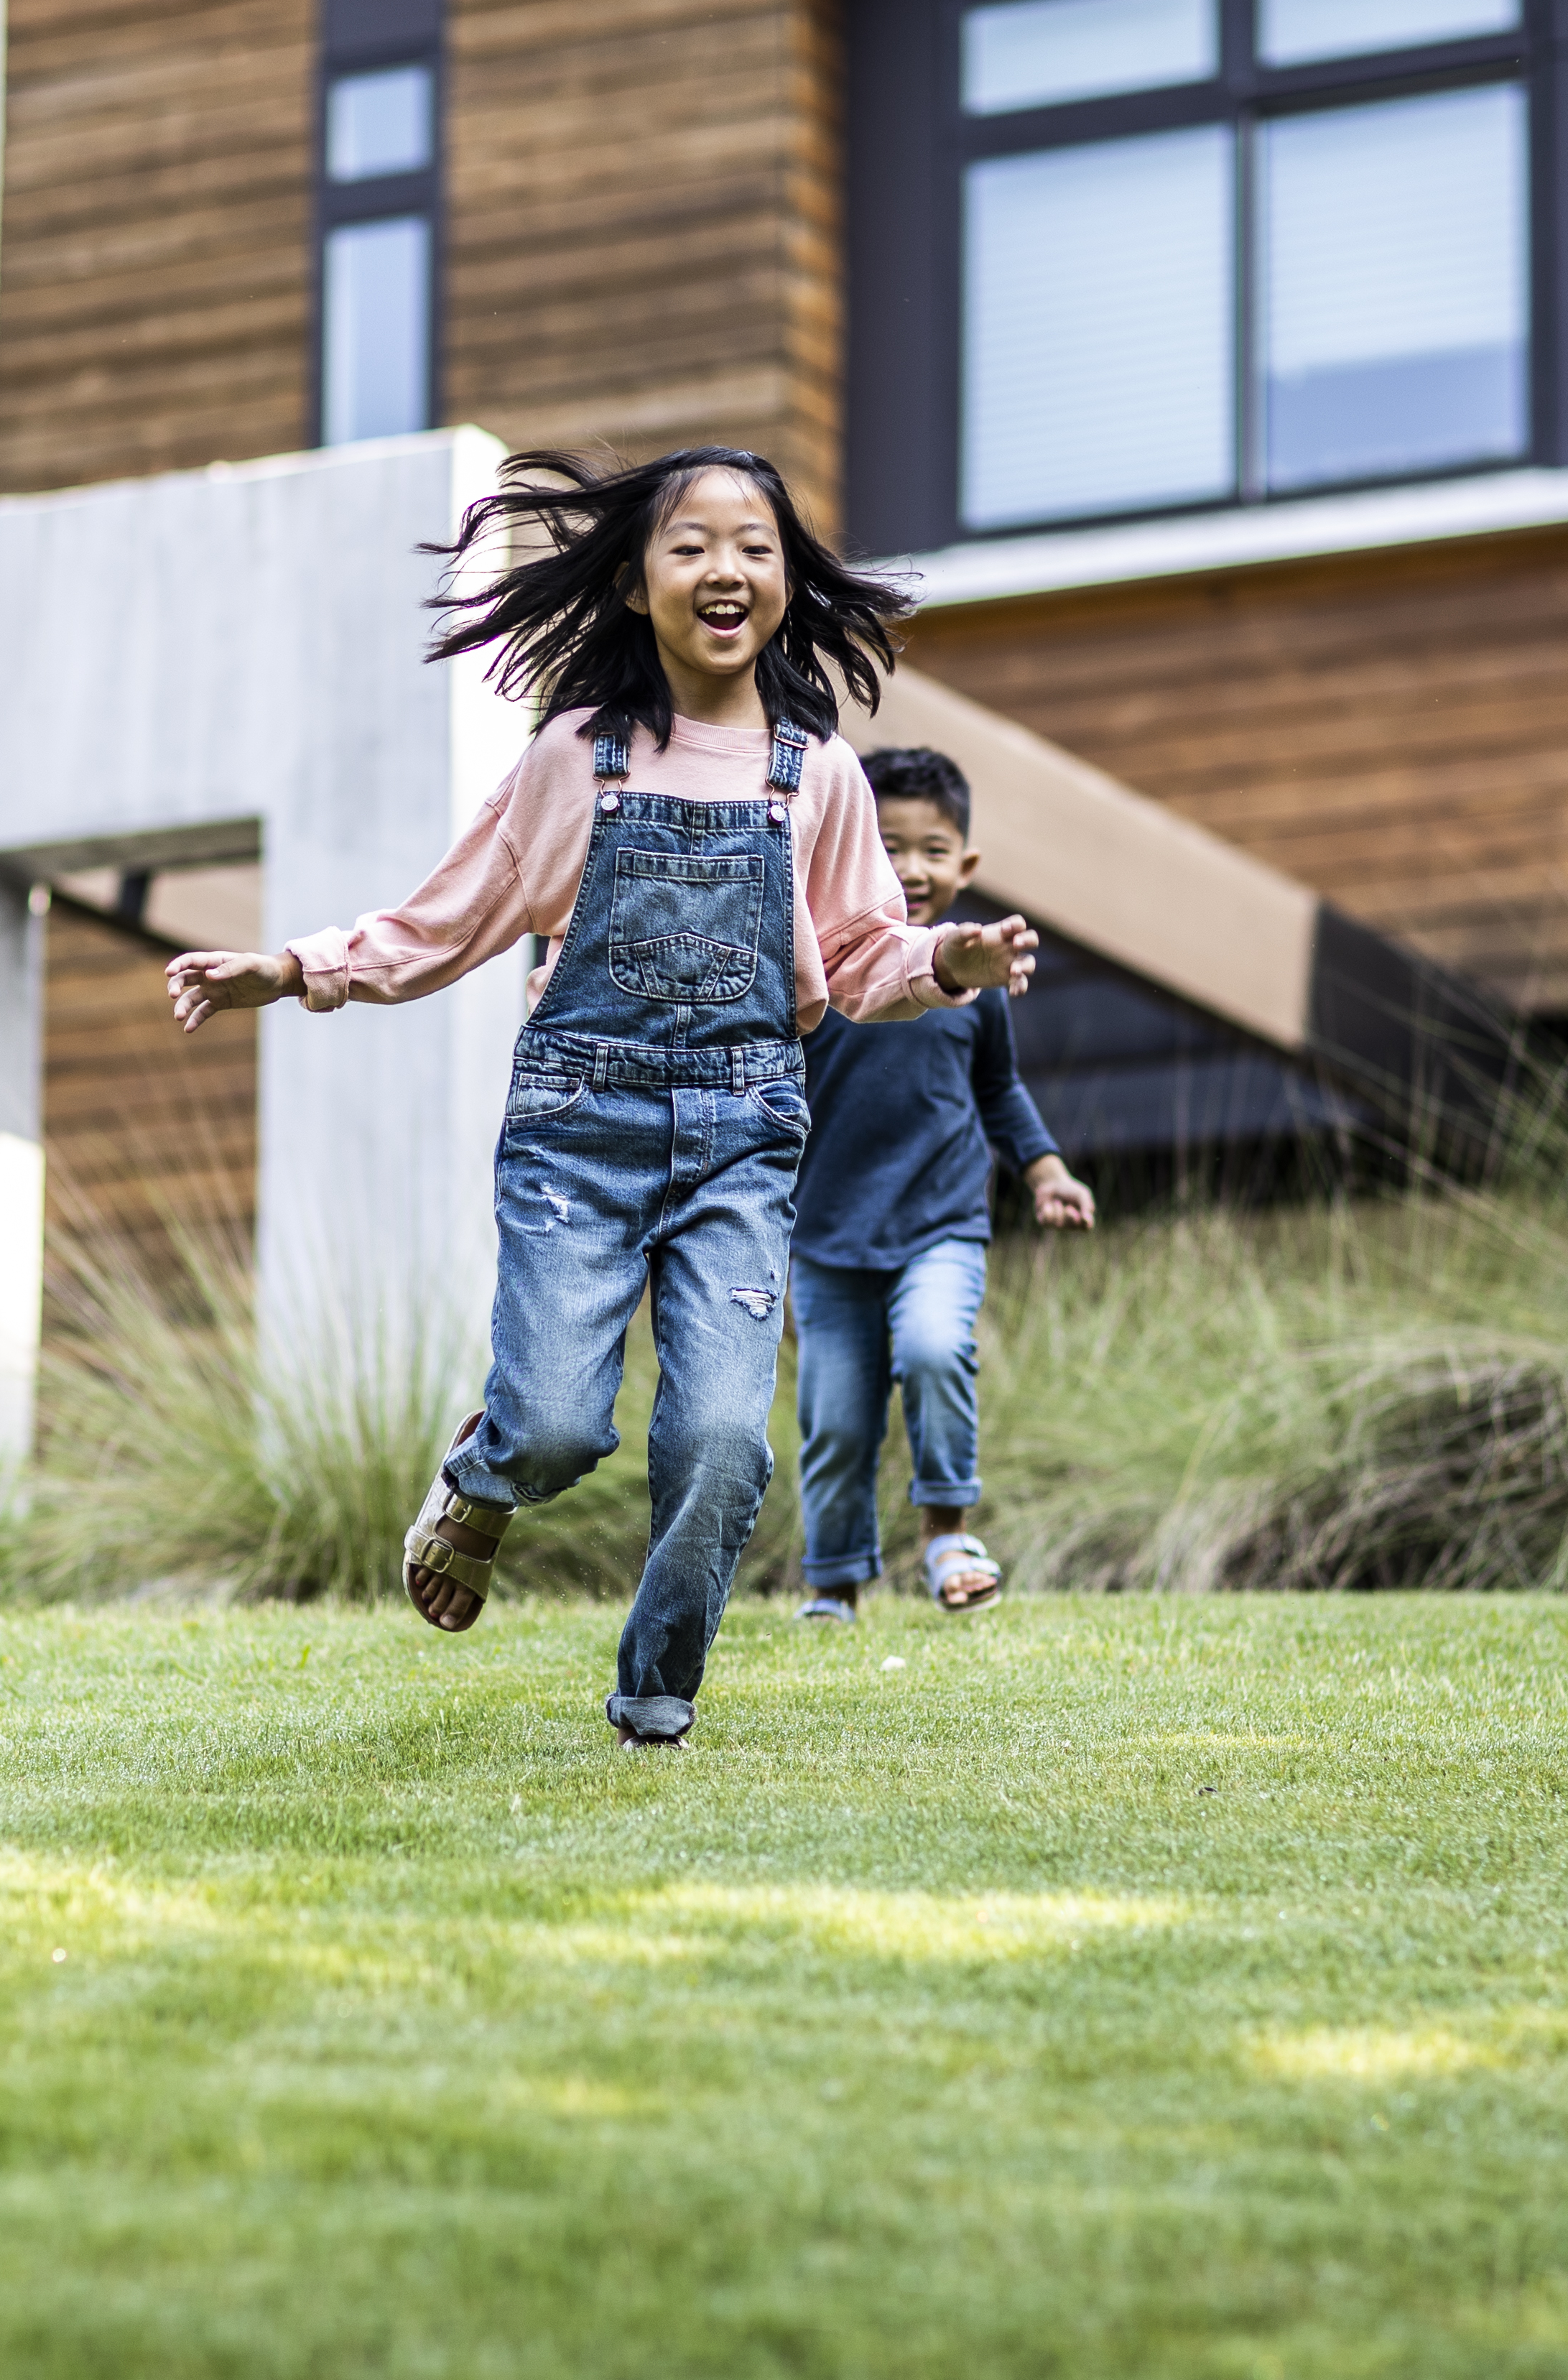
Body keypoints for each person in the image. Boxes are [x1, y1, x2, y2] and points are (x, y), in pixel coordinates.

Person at [164, 447, 1040, 1747]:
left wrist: (947, 960)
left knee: (723, 1442)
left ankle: (655, 1693)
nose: (724, 568)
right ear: (635, 584)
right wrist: (297, 968)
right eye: (689, 545)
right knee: (562, 1422)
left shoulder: (821, 773)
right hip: (581, 1132)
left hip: (744, 1140)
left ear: (788, 581)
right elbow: (447, 918)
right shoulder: (581, 752)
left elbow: (859, 963)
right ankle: (487, 1471)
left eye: (754, 544)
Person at [787, 746, 1095, 1623]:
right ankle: (835, 1581)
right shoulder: (821, 969)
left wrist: (1045, 1169)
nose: (911, 870)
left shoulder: (976, 972)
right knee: (837, 1418)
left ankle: (948, 1535)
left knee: (932, 1349)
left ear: (966, 864)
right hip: (829, 1235)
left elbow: (998, 1088)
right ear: (848, 855)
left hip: (941, 1224)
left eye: (932, 849)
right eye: (888, 848)